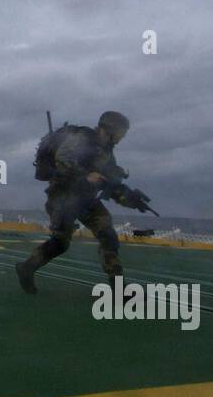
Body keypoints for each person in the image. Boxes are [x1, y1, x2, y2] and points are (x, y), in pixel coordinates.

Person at [16, 110, 148, 295]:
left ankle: (119, 289)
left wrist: (129, 199)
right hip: (63, 197)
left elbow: (109, 184)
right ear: (110, 129)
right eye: (120, 133)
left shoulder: (107, 154)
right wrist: (85, 176)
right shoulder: (82, 138)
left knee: (108, 235)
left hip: (86, 200)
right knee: (60, 243)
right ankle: (27, 268)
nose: (121, 138)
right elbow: (62, 159)